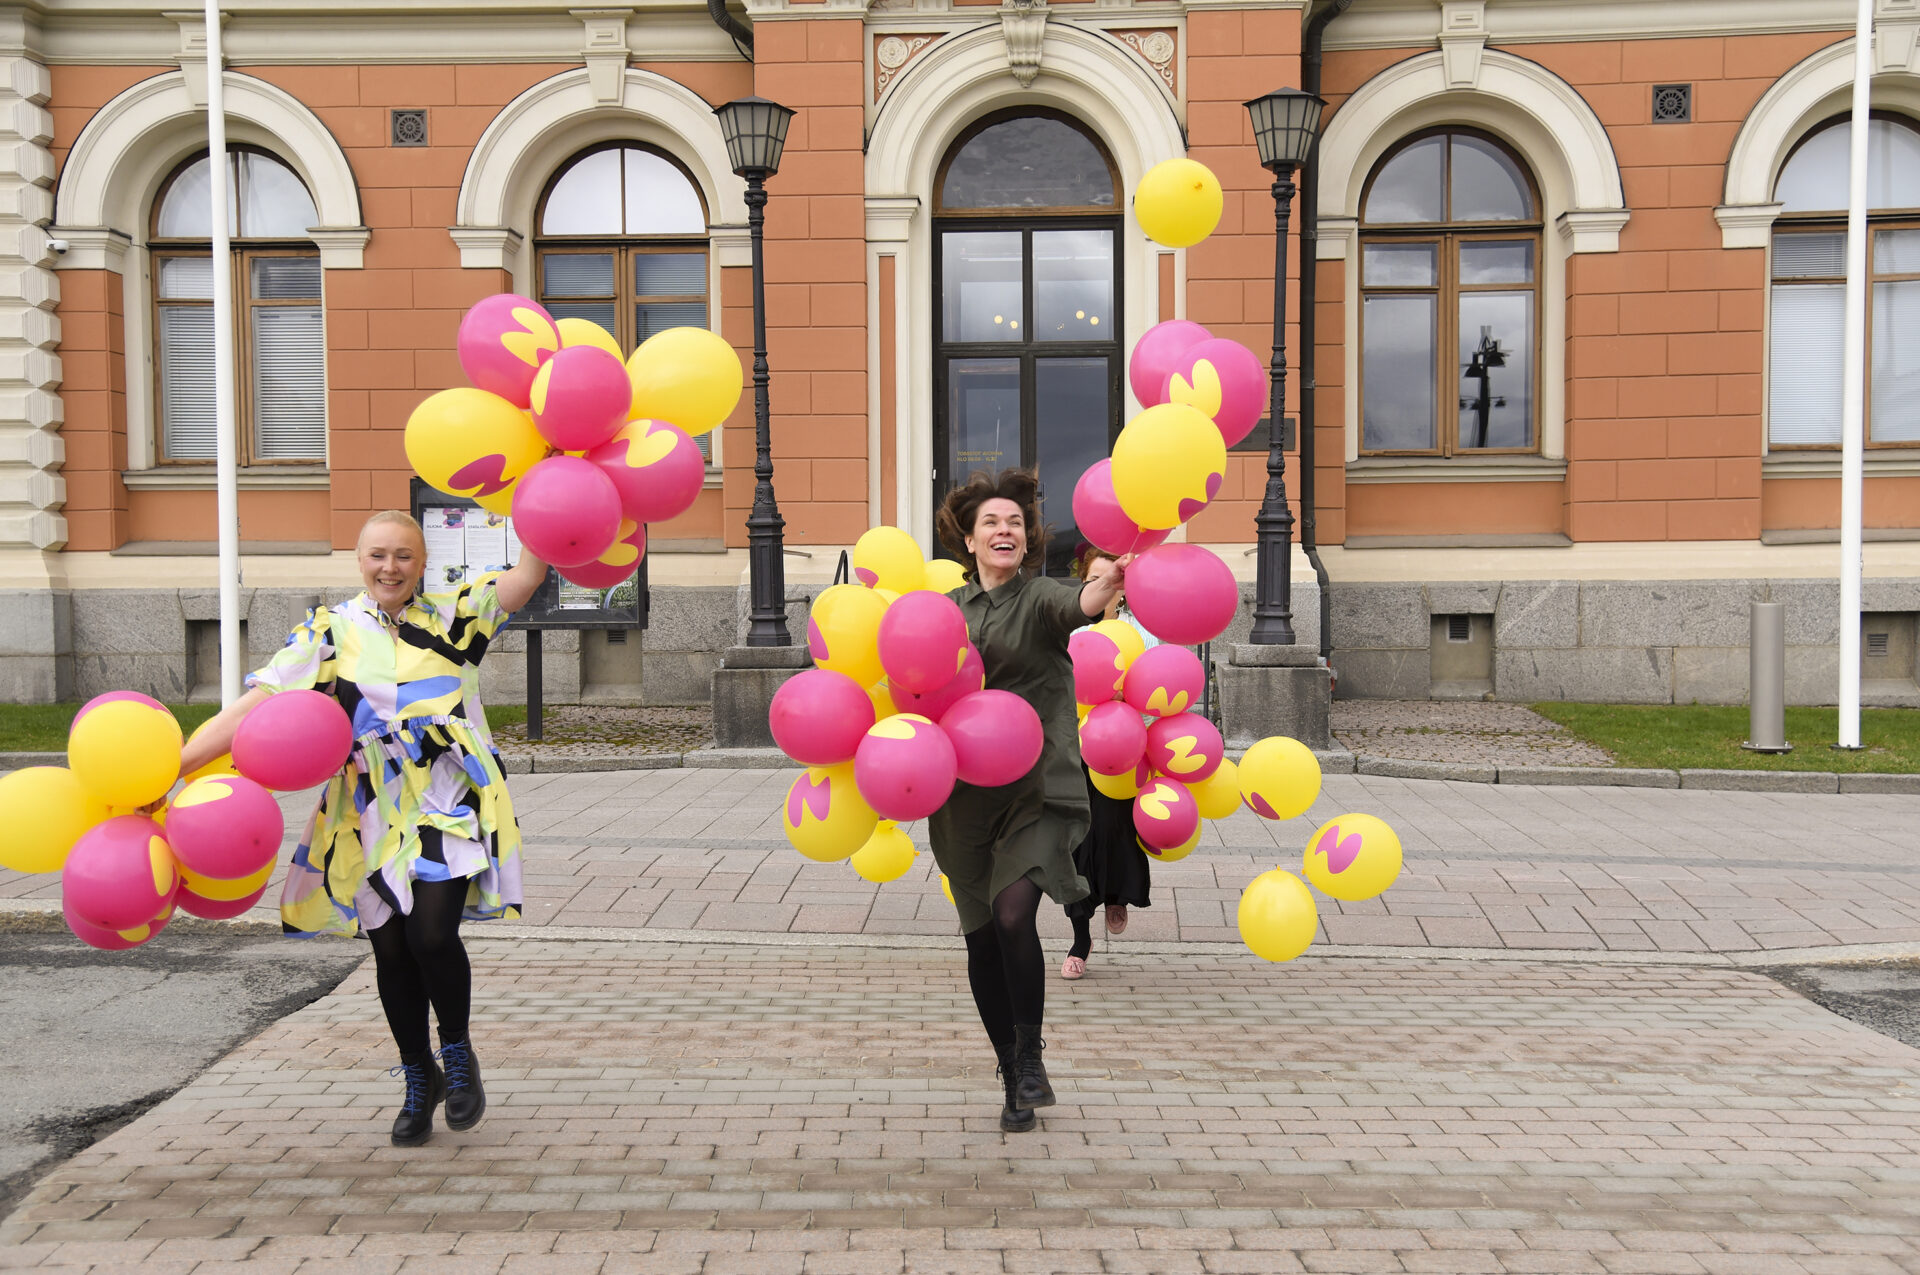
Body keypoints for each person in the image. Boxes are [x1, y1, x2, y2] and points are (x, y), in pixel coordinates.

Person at [178, 510, 548, 1147]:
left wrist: (550, 488)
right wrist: (173, 769)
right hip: (368, 806)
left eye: (404, 556)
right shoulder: (330, 632)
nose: (390, 568)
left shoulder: (459, 614)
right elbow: (255, 707)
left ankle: (458, 1058)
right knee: (392, 950)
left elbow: (528, 573)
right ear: (359, 559)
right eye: (378, 555)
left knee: (432, 933)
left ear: (422, 562)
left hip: (445, 796)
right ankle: (418, 1077)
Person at [930, 470, 1129, 1133]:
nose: (1005, 529)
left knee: (1016, 912)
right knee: (982, 935)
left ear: (1028, 537)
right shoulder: (947, 612)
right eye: (991, 521)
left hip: (1036, 787)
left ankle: (1032, 1055)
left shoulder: (1040, 597)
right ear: (970, 537)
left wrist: (1110, 581)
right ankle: (1011, 1067)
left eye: (1015, 521)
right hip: (962, 798)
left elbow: (1083, 600)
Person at [1061, 547, 1157, 980]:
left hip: (1122, 752)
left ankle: (1116, 894)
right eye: (1094, 580)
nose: (1104, 589)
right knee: (1074, 844)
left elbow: (1161, 693)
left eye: (1111, 581)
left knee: (1117, 833)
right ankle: (1081, 939)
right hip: (1075, 751)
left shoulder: (1142, 634)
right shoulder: (1070, 631)